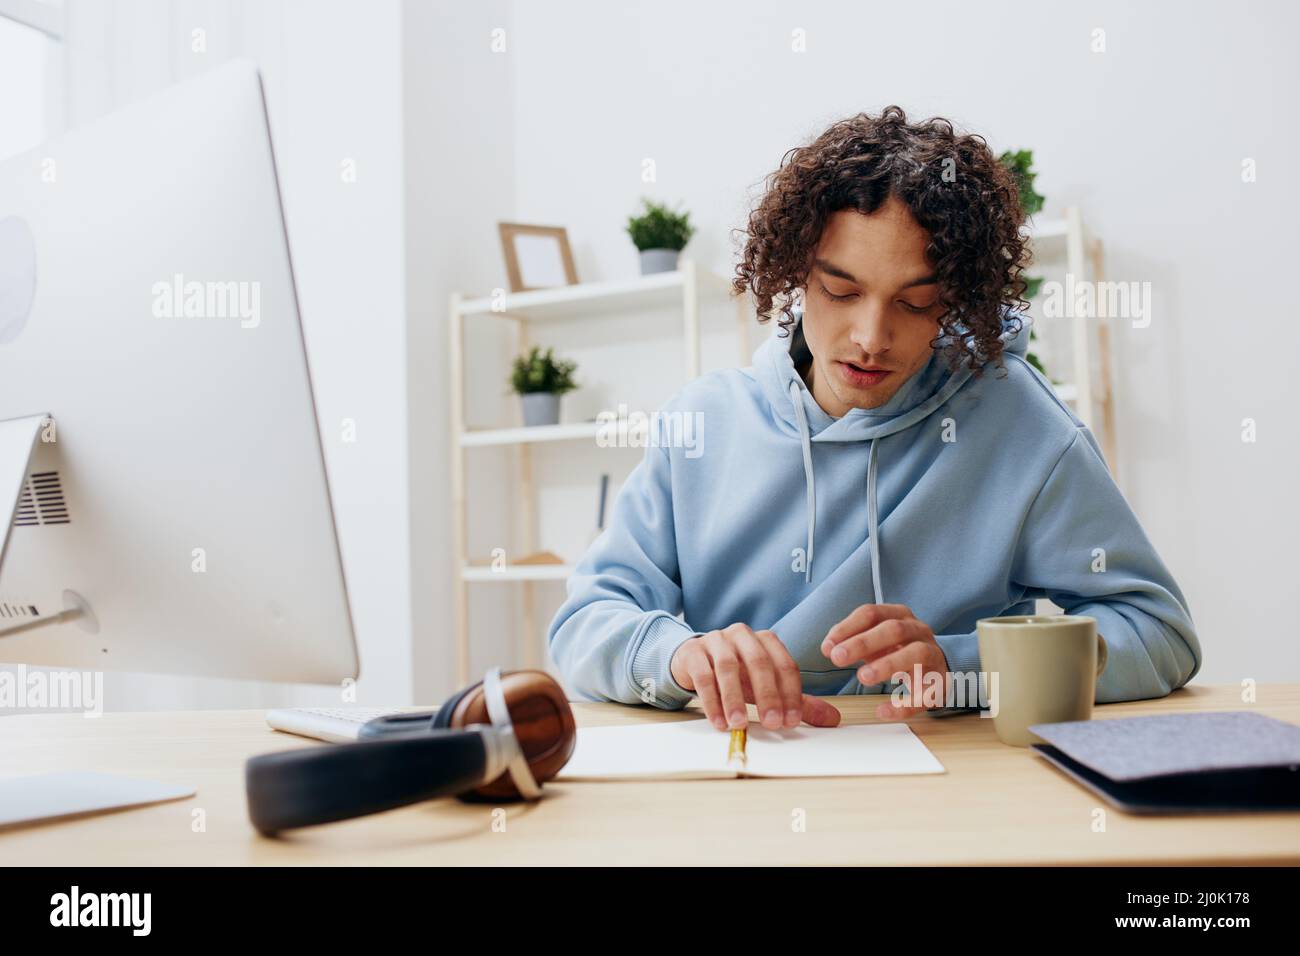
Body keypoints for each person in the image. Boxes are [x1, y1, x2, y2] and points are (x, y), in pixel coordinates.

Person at [547, 106, 1201, 732]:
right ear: (795, 271)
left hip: (950, 791)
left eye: (916, 303)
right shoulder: (701, 424)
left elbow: (1158, 633)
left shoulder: (1017, 425)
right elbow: (584, 623)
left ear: (957, 303)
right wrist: (678, 657)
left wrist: (963, 666)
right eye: (841, 291)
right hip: (746, 778)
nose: (871, 337)